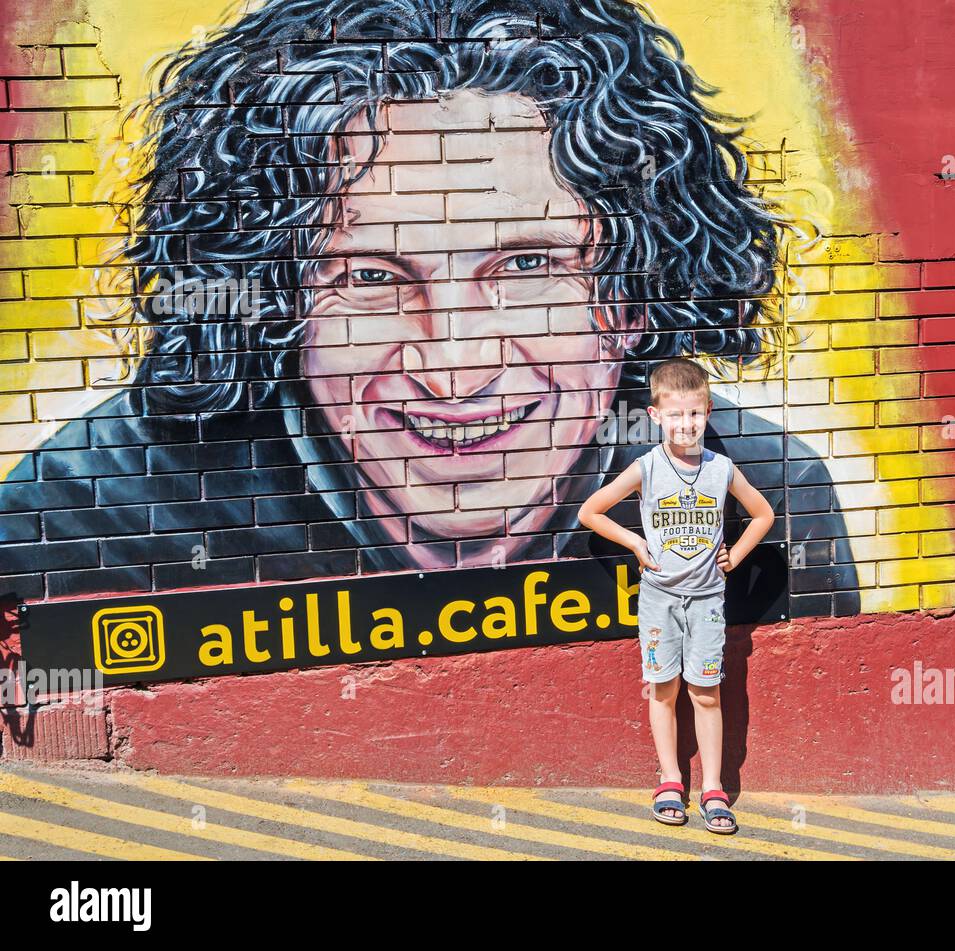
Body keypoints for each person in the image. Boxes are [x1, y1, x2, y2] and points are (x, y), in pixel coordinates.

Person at [0, 0, 859, 620]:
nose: (454, 366)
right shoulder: (84, 518)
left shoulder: (763, 498)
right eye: (370, 278)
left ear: (632, 300)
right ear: (278, 304)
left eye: (528, 265)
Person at [578, 357, 774, 833]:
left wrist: (737, 555)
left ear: (707, 411)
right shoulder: (646, 469)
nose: (685, 425)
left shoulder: (721, 469)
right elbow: (591, 512)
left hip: (707, 602)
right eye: (675, 414)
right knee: (662, 690)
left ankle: (713, 788)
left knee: (706, 693)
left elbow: (763, 514)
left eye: (694, 414)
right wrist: (635, 543)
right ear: (655, 416)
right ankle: (669, 780)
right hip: (659, 601)